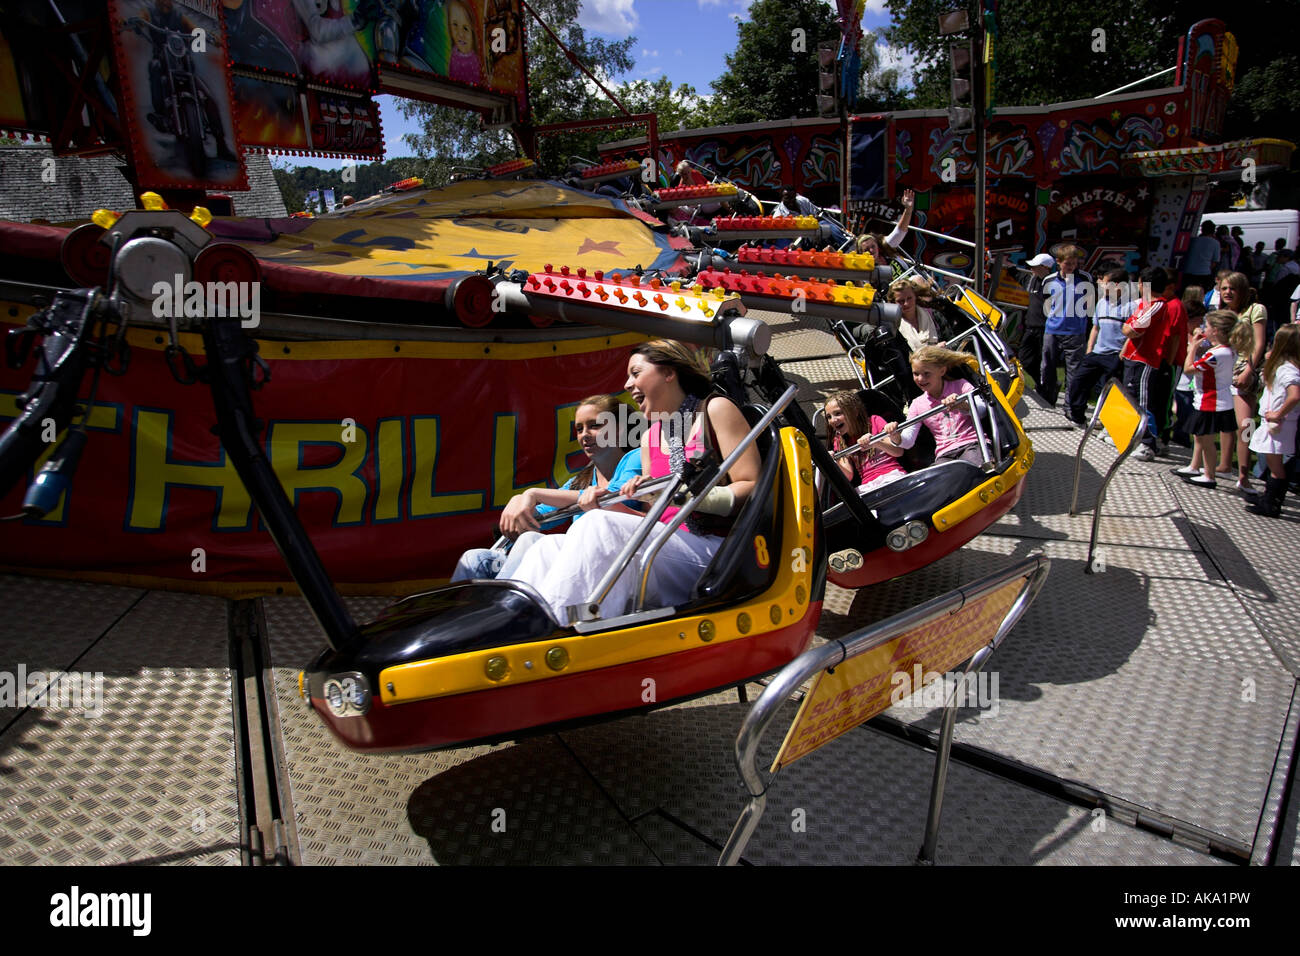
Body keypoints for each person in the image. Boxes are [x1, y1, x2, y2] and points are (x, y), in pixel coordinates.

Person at [509, 341, 760, 622]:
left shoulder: (714, 410)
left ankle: (559, 630)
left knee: (597, 526)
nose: (628, 384)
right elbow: (653, 517)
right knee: (545, 547)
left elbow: (752, 486)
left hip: (712, 550)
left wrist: (688, 496)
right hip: (665, 544)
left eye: (636, 373)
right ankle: (516, 625)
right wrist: (611, 508)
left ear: (668, 372)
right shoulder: (649, 438)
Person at [450, 395, 640, 582]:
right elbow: (540, 515)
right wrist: (520, 504)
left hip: (613, 561)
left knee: (529, 541)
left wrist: (533, 493)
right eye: (579, 429)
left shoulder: (636, 457)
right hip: (576, 560)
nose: (584, 435)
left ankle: (505, 608)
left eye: (595, 425)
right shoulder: (581, 480)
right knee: (474, 558)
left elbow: (612, 495)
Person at [1121, 266, 1187, 461]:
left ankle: (1148, 443)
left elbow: (1132, 329)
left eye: (1139, 282)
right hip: (1133, 359)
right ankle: (1135, 437)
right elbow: (1129, 327)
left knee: (1142, 402)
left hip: (1146, 360)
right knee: (1130, 399)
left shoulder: (1159, 305)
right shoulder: (1145, 304)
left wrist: (1129, 328)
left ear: (1143, 284)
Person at [883, 345, 989, 467]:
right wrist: (895, 436)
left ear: (942, 371)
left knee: (972, 469)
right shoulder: (917, 404)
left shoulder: (960, 385)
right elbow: (908, 441)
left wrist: (962, 405)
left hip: (972, 444)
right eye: (916, 374)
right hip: (945, 454)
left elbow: (983, 410)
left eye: (926, 374)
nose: (920, 379)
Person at [1175, 310, 1239, 489]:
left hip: (1211, 401)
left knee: (1206, 439)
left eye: (1208, 326)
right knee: (1199, 436)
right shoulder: (1226, 350)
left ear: (1216, 330)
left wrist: (1193, 347)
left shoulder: (1216, 355)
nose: (1204, 329)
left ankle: (1209, 475)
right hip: (1213, 399)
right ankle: (1194, 466)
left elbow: (1188, 369)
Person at [1216, 272, 1268, 493]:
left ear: (1243, 291)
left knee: (1246, 425)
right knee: (1224, 421)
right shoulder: (1224, 313)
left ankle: (1244, 475)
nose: (1227, 292)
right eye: (1224, 288)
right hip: (1222, 371)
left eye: (1233, 289)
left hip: (1242, 372)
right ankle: (1225, 464)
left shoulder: (1256, 310)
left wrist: (1249, 369)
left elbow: (1259, 343)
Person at [1064, 267, 1132, 427]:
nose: (1101, 286)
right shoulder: (1101, 302)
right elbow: (1095, 328)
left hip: (1115, 355)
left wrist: (1122, 355)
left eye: (1105, 283)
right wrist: (1089, 350)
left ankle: (1109, 423)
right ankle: (1078, 417)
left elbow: (1132, 335)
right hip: (1096, 353)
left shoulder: (1130, 306)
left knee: (1110, 391)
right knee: (1078, 383)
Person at [1246, 324, 1300, 517]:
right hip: (1276, 421)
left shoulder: (1288, 370)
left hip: (1279, 423)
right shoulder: (1285, 367)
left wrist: (1278, 414)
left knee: (1276, 465)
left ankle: (1271, 503)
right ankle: (1270, 498)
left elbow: (1295, 395)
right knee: (1273, 461)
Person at [1040, 245, 1093, 409]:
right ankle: (1048, 399)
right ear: (1058, 262)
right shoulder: (1049, 280)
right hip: (1053, 330)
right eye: (1067, 264)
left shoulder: (1085, 279)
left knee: (1074, 370)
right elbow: (1046, 302)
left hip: (1075, 332)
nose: (1071, 267)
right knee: (1047, 367)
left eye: (1074, 263)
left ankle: (1070, 406)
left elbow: (1089, 303)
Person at [824, 391, 907, 494]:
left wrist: (875, 442)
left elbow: (898, 452)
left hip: (891, 475)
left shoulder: (874, 421)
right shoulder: (839, 440)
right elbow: (848, 475)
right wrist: (833, 462)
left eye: (838, 413)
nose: (832, 420)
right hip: (868, 486)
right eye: (829, 417)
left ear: (854, 412)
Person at [1170, 289, 1207, 447]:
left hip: (1197, 383)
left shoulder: (1203, 336)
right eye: (1199, 320)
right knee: (1182, 413)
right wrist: (1194, 344)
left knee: (1189, 416)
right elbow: (1184, 353)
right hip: (1182, 382)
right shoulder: (1180, 333)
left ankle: (1181, 440)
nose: (1201, 324)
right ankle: (1178, 440)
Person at [1018, 252, 1055, 395]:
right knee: (1024, 358)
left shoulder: (1054, 284)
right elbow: (1020, 277)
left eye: (1035, 266)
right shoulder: (1032, 280)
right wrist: (1009, 268)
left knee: (1045, 362)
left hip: (1045, 328)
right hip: (1030, 327)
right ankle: (1041, 382)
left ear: (1046, 267)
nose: (1031, 269)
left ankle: (1047, 390)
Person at [856, 189, 916, 264]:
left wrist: (908, 209)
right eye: (866, 250)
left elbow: (900, 231)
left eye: (873, 246)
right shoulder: (864, 271)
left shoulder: (885, 248)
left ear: (877, 246)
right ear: (860, 253)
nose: (871, 251)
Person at [888, 276, 942, 354]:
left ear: (915, 297)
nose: (906, 303)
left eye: (909, 298)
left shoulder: (934, 315)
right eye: (901, 301)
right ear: (893, 303)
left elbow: (951, 339)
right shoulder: (894, 329)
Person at [1184, 220, 1221, 291]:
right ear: (1213, 231)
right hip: (1204, 273)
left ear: (1202, 229)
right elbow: (1215, 262)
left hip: (1188, 271)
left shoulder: (1192, 240)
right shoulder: (1215, 243)